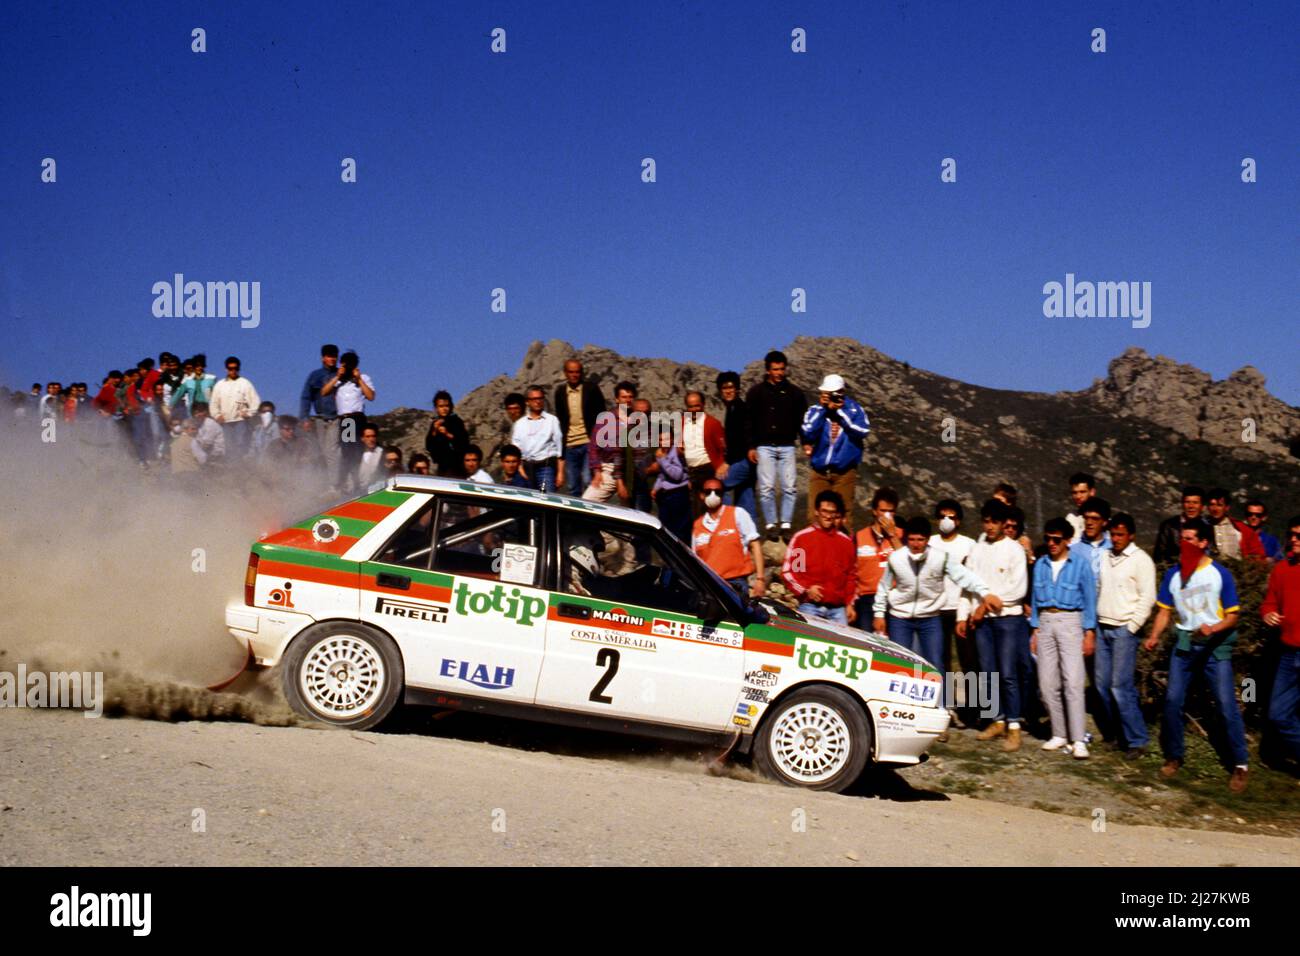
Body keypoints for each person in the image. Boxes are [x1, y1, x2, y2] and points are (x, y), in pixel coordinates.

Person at [1144, 520, 1249, 792]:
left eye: (1190, 539)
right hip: (1185, 643)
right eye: (1183, 539)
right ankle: (1174, 756)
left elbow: (1234, 616)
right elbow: (1165, 611)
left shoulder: (1219, 574)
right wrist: (1154, 636)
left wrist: (1213, 628)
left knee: (1226, 704)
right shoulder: (1174, 575)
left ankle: (1240, 763)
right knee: (1173, 699)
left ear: (1204, 542)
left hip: (1216, 646)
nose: (1185, 544)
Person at [875, 516, 999, 717]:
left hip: (930, 617)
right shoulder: (896, 558)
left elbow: (964, 576)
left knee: (935, 663)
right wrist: (879, 613)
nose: (916, 545)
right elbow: (883, 587)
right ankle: (900, 711)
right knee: (901, 664)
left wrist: (985, 592)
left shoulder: (940, 558)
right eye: (912, 540)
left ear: (927, 541)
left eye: (921, 540)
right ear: (906, 540)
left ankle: (939, 712)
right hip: (900, 617)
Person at [959, 499, 1032, 748]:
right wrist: (963, 615)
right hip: (982, 623)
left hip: (1008, 619)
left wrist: (984, 606)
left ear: (1004, 524)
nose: (990, 526)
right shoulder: (978, 550)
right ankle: (997, 719)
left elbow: (1016, 590)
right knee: (987, 672)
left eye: (995, 522)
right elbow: (967, 585)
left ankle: (1014, 725)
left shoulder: (1014, 550)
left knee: (1008, 673)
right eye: (986, 521)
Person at [1029, 517, 1097, 759]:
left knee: (1074, 682)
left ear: (1067, 540)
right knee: (1047, 684)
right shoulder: (1041, 565)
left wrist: (1089, 633)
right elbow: (1036, 600)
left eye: (1056, 539)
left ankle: (1078, 739)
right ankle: (1058, 733)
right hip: (1046, 622)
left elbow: (1089, 599)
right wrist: (1035, 630)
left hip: (1072, 622)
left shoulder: (1080, 564)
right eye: (1047, 538)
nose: (1051, 543)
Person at [1095, 512, 1157, 758]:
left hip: (1123, 629)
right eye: (1113, 534)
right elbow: (1099, 587)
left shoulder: (1141, 559)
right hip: (1103, 627)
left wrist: (1132, 627)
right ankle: (1114, 734)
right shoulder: (1104, 557)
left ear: (1131, 535)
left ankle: (1137, 739)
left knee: (1120, 686)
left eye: (1121, 534)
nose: (1116, 539)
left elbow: (1148, 596)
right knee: (1101, 686)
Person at [746, 350, 805, 542]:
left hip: (787, 445)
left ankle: (786, 524)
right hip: (764, 446)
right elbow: (750, 422)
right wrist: (751, 446)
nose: (779, 373)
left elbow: (802, 420)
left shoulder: (795, 393)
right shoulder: (755, 393)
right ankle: (771, 524)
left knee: (789, 486)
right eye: (775, 369)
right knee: (766, 487)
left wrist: (806, 443)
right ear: (767, 370)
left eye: (781, 369)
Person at [929, 499, 979, 726]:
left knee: (969, 661)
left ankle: (975, 711)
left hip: (961, 609)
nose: (946, 521)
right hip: (936, 609)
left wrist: (968, 610)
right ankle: (945, 709)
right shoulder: (930, 543)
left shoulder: (969, 544)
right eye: (942, 516)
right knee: (941, 661)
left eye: (951, 516)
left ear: (959, 520)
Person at [801, 374, 870, 529]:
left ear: (842, 392)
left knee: (843, 517)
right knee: (814, 515)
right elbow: (807, 432)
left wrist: (840, 412)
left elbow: (862, 430)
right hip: (820, 471)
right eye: (827, 393)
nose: (831, 396)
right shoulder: (815, 410)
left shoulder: (854, 410)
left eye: (834, 392)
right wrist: (823, 411)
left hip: (845, 472)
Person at [782, 491, 857, 625]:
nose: (828, 516)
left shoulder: (846, 543)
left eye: (832, 512)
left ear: (836, 514)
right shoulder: (802, 539)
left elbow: (851, 577)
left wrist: (850, 604)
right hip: (810, 607)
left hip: (838, 609)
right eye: (824, 511)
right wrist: (806, 589)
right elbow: (791, 572)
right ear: (816, 511)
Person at [1262, 516, 1300, 763]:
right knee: (1277, 713)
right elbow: (1269, 602)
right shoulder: (1282, 569)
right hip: (1287, 653)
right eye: (1291, 535)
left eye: (1299, 536)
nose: (1293, 540)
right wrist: (1268, 613)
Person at [691, 476, 765, 602]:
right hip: (709, 586)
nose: (713, 495)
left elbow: (755, 545)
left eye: (717, 492)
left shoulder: (738, 514)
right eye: (708, 492)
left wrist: (760, 579)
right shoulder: (697, 525)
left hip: (735, 583)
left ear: (722, 495)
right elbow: (695, 560)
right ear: (702, 495)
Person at [852, 488, 903, 631]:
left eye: (891, 511)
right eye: (883, 510)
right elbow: (851, 570)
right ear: (874, 511)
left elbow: (908, 561)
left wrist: (893, 536)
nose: (887, 515)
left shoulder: (902, 535)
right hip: (867, 598)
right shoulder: (860, 536)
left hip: (895, 597)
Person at [554, 358, 606, 497]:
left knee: (588, 480)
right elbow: (560, 418)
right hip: (570, 445)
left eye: (577, 372)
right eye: (571, 372)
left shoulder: (591, 389)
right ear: (565, 373)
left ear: (581, 373)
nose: (574, 375)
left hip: (589, 443)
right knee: (572, 485)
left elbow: (602, 414)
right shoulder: (560, 392)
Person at [324, 350, 375, 483]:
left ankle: (356, 480)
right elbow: (324, 391)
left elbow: (371, 396)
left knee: (357, 450)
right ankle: (346, 481)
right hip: (346, 420)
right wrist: (337, 377)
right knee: (347, 451)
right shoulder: (338, 380)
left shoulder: (363, 378)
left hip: (357, 418)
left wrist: (358, 379)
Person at [715, 371, 757, 524]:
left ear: (738, 389)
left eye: (731, 387)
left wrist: (727, 462)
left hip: (744, 460)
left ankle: (723, 523)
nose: (728, 391)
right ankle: (749, 536)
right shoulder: (732, 409)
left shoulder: (740, 409)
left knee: (720, 483)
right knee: (745, 496)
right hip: (744, 461)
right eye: (724, 388)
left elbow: (742, 440)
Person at [300, 344, 343, 486]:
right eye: (329, 356)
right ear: (323, 358)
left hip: (339, 419)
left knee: (335, 451)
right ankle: (320, 484)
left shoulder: (342, 374)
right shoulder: (315, 376)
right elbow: (306, 397)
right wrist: (304, 418)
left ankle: (335, 486)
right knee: (320, 452)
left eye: (334, 356)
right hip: (319, 419)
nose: (332, 359)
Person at [680, 391, 726, 514]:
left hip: (708, 469)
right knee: (695, 511)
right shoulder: (682, 422)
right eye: (690, 406)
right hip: (691, 472)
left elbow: (722, 449)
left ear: (703, 405)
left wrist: (721, 467)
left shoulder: (712, 423)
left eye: (697, 406)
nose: (694, 409)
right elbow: (679, 446)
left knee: (711, 507)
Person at [510, 386, 563, 492]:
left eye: (540, 398)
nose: (537, 402)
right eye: (534, 399)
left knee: (548, 500)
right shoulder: (520, 424)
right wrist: (520, 469)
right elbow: (516, 449)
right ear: (527, 402)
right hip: (526, 467)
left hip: (546, 467)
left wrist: (560, 473)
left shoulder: (552, 420)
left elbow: (560, 449)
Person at [208, 356, 260, 461]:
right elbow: (213, 403)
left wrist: (249, 413)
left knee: (240, 444)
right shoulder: (219, 385)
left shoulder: (245, 383)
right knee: (228, 446)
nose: (233, 371)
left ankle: (239, 467)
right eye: (230, 368)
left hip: (240, 420)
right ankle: (231, 469)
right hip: (225, 421)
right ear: (226, 369)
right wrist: (217, 415)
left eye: (235, 368)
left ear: (239, 369)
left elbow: (256, 401)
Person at [649, 427, 691, 542]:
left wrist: (662, 459)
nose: (664, 442)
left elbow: (677, 475)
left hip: (678, 494)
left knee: (680, 530)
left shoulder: (677, 452)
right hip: (666, 495)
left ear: (672, 439)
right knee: (666, 529)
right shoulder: (661, 452)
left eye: (667, 439)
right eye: (661, 439)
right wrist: (655, 488)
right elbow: (663, 475)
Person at [1155, 485, 1214, 564]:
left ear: (1202, 506)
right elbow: (1159, 555)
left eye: (1195, 503)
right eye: (1187, 502)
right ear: (1182, 504)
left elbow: (1210, 552)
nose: (1191, 506)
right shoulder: (1169, 526)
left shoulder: (1208, 527)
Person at [1205, 487, 1266, 560]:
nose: (1215, 509)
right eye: (1212, 505)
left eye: (1219, 505)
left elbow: (1257, 554)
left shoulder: (1241, 528)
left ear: (1227, 507)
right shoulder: (1201, 525)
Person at [425, 390, 469, 477]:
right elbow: (429, 446)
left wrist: (447, 434)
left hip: (457, 466)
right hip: (442, 466)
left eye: (447, 406)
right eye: (441, 406)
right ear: (436, 408)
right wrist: (434, 430)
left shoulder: (457, 422)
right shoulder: (435, 424)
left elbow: (464, 442)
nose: (444, 409)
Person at [1070, 496, 1112, 586]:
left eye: (1095, 519)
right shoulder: (1072, 549)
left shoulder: (1113, 548)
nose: (1089, 523)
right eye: (1086, 518)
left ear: (1104, 522)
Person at [1065, 472, 1096, 541]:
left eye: (1082, 492)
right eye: (1074, 493)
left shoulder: (1102, 518)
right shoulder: (1071, 518)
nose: (1078, 497)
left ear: (1092, 492)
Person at [355, 425, 384, 490]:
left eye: (373, 436)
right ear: (362, 438)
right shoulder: (357, 456)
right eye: (368, 436)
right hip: (359, 493)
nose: (371, 439)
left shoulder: (383, 454)